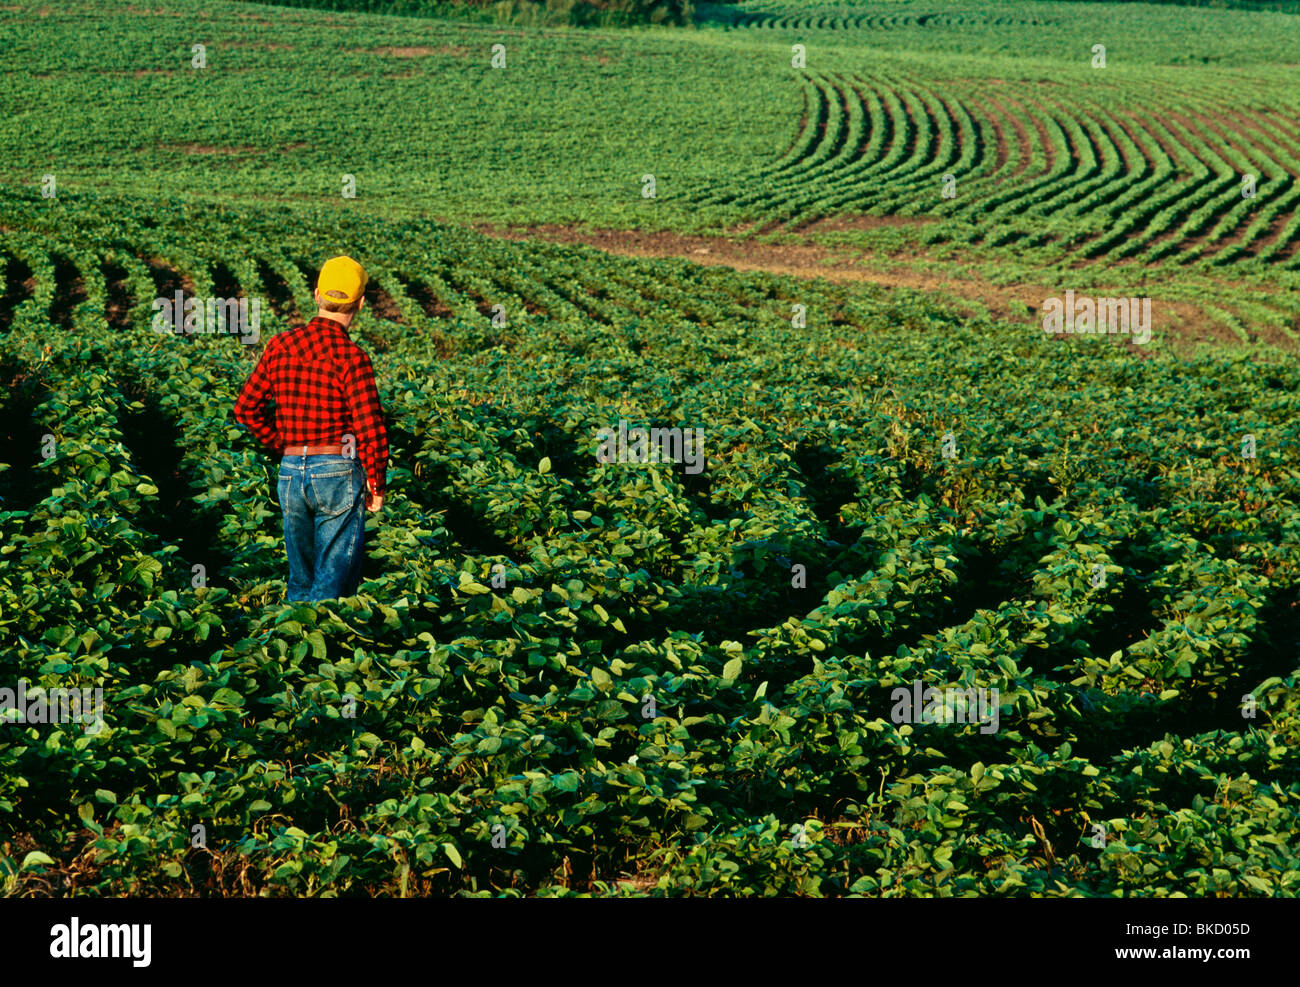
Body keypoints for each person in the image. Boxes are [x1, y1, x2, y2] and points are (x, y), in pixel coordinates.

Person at [233, 256, 388, 603]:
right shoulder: (352, 356)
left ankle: (290, 643)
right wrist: (376, 484)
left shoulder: (280, 345)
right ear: (361, 303)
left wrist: (282, 446)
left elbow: (245, 408)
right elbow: (371, 427)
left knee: (301, 579)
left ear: (316, 294)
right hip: (336, 469)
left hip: (290, 473)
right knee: (333, 582)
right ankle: (324, 646)